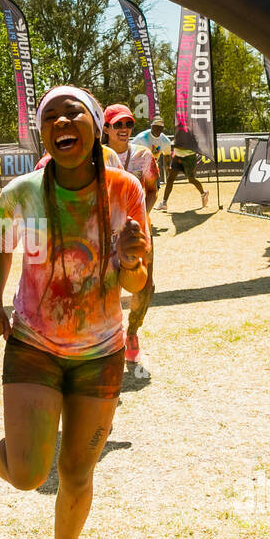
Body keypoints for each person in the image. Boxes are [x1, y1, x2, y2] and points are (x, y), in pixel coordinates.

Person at [0, 85, 150, 539]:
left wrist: (131, 261)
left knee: (78, 473)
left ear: (94, 126)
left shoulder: (125, 191)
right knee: (29, 474)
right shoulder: (22, 193)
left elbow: (136, 284)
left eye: (73, 112)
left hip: (100, 352)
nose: (63, 121)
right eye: (51, 116)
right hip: (34, 343)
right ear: (43, 133)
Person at [102, 104, 159, 366]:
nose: (124, 130)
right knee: (104, 285)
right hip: (102, 233)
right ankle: (105, 339)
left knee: (145, 286)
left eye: (128, 125)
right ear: (106, 128)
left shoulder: (144, 156)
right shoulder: (96, 156)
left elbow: (152, 190)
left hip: (138, 232)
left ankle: (132, 333)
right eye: (118, 125)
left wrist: (137, 217)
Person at [158, 119, 209, 212]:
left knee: (191, 179)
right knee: (170, 179)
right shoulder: (177, 130)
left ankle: (203, 193)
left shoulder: (189, 132)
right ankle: (164, 203)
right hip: (177, 157)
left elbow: (185, 146)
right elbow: (176, 143)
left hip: (189, 158)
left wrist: (173, 145)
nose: (175, 125)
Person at [130, 117, 172, 188]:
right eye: (155, 127)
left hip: (153, 167)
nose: (157, 129)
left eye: (160, 127)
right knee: (138, 189)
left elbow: (167, 155)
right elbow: (130, 150)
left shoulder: (165, 141)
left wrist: (167, 166)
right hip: (138, 167)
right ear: (151, 126)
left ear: (162, 129)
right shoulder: (141, 138)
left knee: (154, 190)